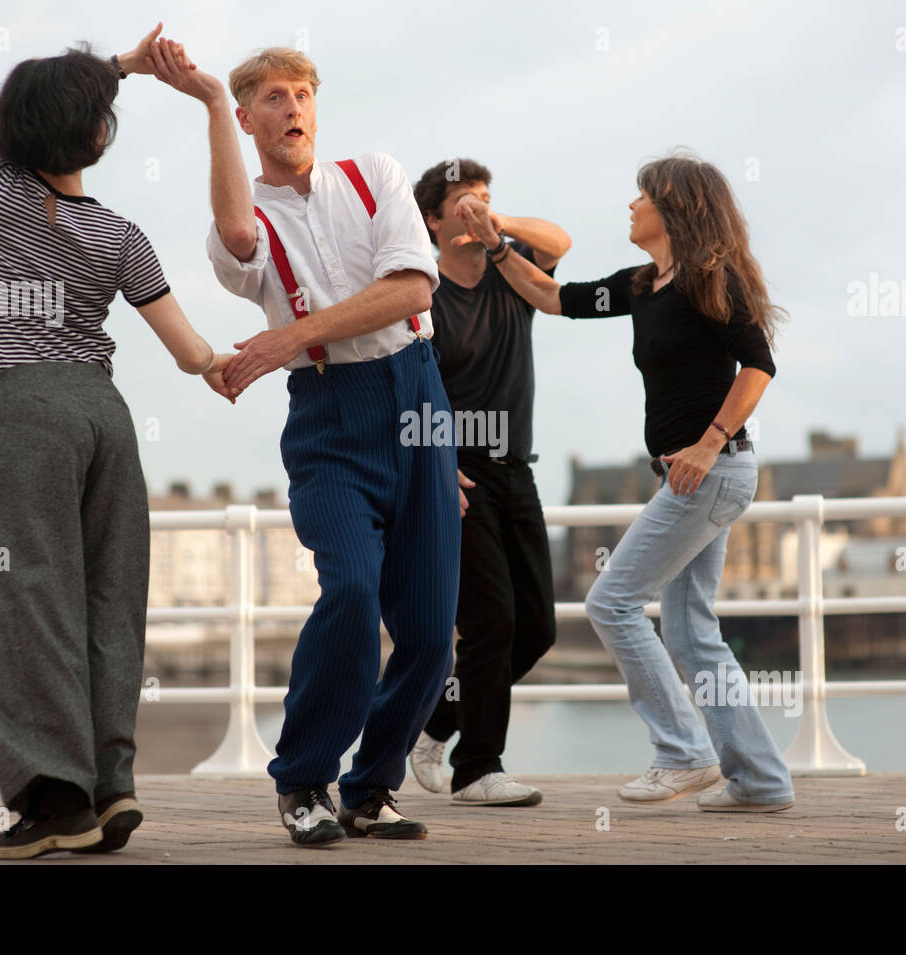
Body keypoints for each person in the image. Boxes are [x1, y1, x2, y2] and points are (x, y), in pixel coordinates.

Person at [147, 40, 460, 846]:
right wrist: (214, 101)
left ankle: (371, 785)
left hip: (418, 397)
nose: (293, 109)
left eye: (302, 95)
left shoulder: (377, 177)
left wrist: (290, 336)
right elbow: (234, 233)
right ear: (251, 119)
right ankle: (304, 778)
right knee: (352, 589)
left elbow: (413, 290)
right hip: (330, 419)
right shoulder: (244, 225)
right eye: (273, 100)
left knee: (430, 629)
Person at [459, 151, 796, 812]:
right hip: (697, 476)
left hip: (712, 470)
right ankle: (759, 777)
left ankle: (684, 752)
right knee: (692, 630)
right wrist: (498, 244)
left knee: (610, 601)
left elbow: (757, 366)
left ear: (673, 208)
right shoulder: (643, 286)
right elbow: (555, 297)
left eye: (642, 197)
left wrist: (707, 442)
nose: (632, 205)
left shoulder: (709, 277)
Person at [0, 27, 238, 860]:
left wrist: (122, 65)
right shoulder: (121, 236)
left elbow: (35, 110)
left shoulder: (1, 191)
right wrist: (258, 356)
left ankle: (56, 802)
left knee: (31, 602)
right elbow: (196, 356)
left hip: (32, 413)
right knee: (110, 600)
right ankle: (110, 783)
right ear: (97, 134)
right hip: (106, 417)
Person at [406, 159, 569, 806]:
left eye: (485, 196)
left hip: (517, 470)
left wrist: (496, 222)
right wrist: (438, 465)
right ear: (432, 219)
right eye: (462, 200)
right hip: (458, 477)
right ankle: (477, 768)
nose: (476, 207)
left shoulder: (512, 270)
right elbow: (407, 392)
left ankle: (439, 723)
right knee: (490, 622)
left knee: (537, 630)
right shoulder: (421, 293)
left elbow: (561, 241)